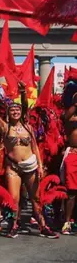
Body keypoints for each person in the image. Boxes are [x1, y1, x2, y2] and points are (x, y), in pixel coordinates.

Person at [0, 88, 58, 239]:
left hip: (31, 166)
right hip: (13, 167)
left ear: (21, 112)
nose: (15, 112)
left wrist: (40, 166)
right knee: (14, 198)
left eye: (17, 109)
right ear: (8, 113)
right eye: (12, 110)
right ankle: (13, 225)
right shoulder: (5, 127)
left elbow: (34, 147)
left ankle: (43, 226)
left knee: (36, 198)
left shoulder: (28, 128)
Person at [61, 75, 77, 234]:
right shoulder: (70, 115)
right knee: (71, 191)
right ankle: (67, 221)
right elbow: (67, 119)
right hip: (73, 154)